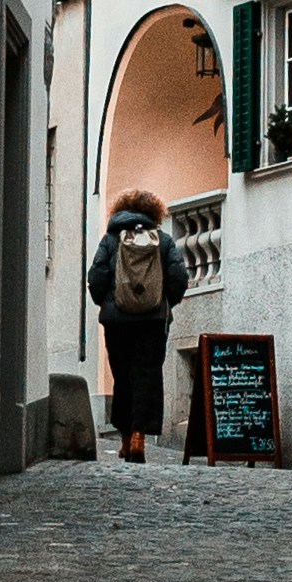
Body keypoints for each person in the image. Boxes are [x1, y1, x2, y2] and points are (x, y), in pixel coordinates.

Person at [88, 187, 173, 460]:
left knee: (123, 377)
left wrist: (107, 303)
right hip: (152, 321)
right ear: (153, 212)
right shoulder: (163, 240)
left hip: (117, 322)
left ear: (121, 210)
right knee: (147, 376)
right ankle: (139, 437)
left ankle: (125, 439)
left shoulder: (110, 240)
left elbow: (96, 275)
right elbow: (180, 277)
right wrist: (163, 302)